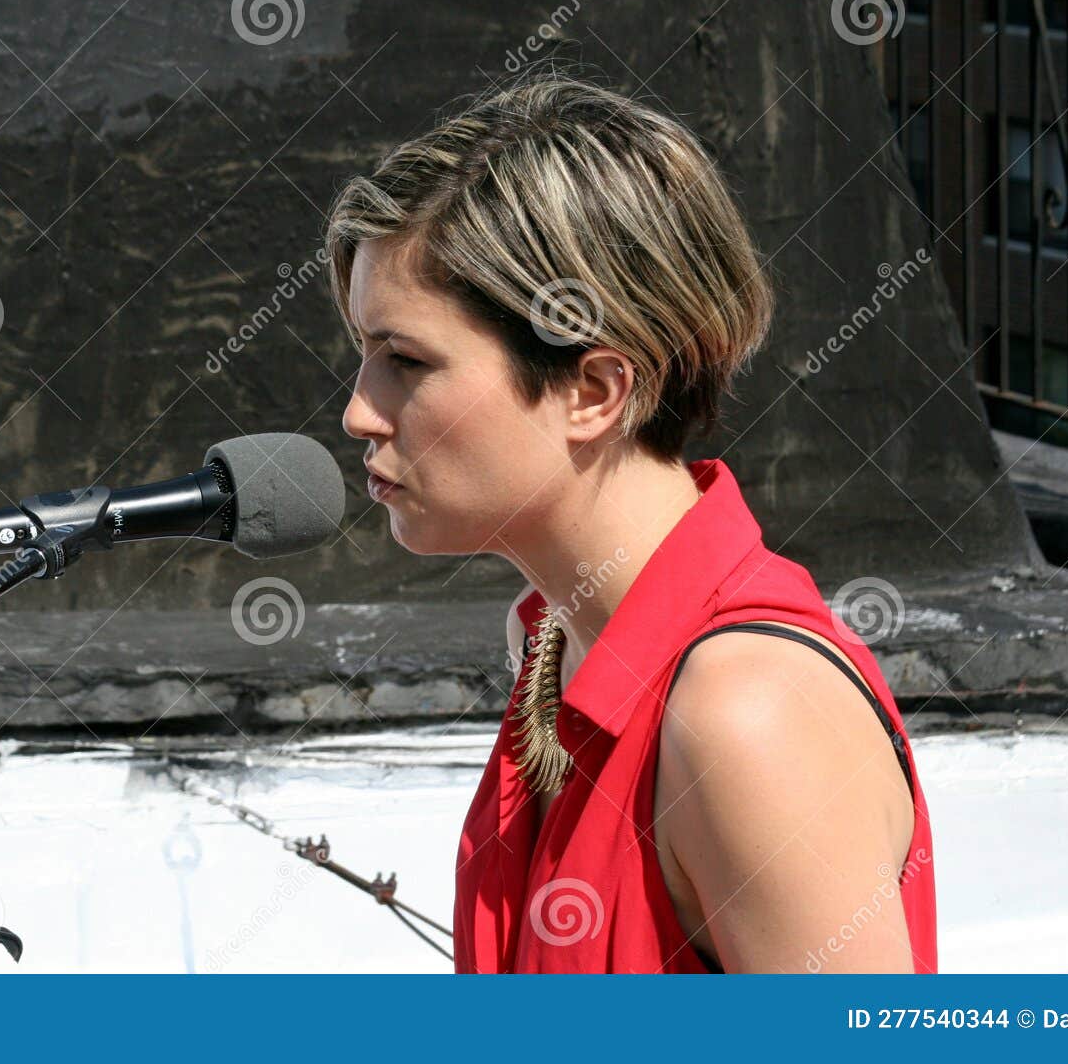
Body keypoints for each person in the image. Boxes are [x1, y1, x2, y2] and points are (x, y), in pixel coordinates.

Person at [323, 73, 935, 973]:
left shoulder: (744, 715)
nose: (359, 414)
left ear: (594, 390)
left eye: (405, 361)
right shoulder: (552, 640)